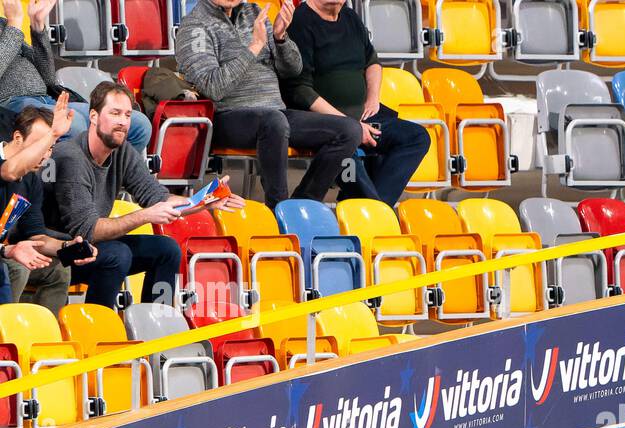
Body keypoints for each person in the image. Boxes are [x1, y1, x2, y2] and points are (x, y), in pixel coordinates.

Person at [46, 81, 244, 308]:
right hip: (56, 252)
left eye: (128, 115)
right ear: (93, 116)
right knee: (117, 254)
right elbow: (88, 231)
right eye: (115, 113)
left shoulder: (122, 152)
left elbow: (158, 197)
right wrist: (145, 216)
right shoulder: (71, 158)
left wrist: (206, 200)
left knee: (166, 250)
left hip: (90, 247)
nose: (122, 122)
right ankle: (100, 335)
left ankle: (157, 328)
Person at [176, 0, 362, 208]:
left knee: (349, 129)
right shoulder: (194, 26)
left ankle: (303, 205)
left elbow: (292, 70)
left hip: (276, 112)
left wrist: (280, 38)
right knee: (273, 121)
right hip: (227, 117)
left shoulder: (254, 12)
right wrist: (254, 47)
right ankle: (278, 207)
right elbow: (213, 87)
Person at [282, 0, 429, 206]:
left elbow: (373, 62)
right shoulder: (300, 22)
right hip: (324, 123)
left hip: (364, 117)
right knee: (347, 142)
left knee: (416, 137)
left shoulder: (350, 17)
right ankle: (375, 212)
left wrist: (372, 99)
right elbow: (299, 91)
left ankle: (374, 208)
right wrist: (349, 124)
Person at [0, 0, 152, 151]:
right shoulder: (12, 26)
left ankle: (105, 173)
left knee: (139, 125)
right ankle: (78, 173)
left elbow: (48, 79)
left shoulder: (4, 25)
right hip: (11, 106)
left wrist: (37, 28)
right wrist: (14, 24)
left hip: (47, 100)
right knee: (74, 123)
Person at [0, 99, 99, 309]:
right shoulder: (6, 167)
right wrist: (52, 134)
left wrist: (67, 246)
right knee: (16, 268)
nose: (45, 155)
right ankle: (8, 338)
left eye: (50, 148)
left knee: (59, 270)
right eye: (40, 145)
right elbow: (8, 171)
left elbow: (36, 236)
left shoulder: (32, 180)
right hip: (3, 254)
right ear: (17, 137)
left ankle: (41, 337)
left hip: (4, 253)